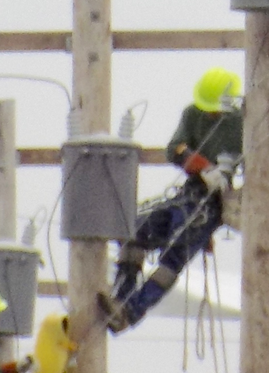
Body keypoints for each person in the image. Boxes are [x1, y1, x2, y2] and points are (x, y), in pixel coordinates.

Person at [101, 66, 244, 333]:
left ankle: (130, 312)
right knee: (138, 229)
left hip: (213, 203)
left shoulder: (243, 124)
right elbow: (174, 149)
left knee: (173, 255)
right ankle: (119, 298)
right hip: (189, 191)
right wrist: (203, 167)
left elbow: (260, 166)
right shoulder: (193, 115)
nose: (211, 113)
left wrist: (227, 182)